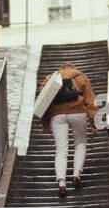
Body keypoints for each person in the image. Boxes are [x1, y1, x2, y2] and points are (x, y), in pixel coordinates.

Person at [40, 61, 98, 198]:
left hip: (57, 115)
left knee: (61, 149)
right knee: (80, 143)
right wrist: (94, 121)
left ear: (61, 69)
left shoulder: (50, 78)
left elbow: (43, 102)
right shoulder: (81, 77)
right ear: (73, 68)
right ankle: (76, 174)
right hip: (78, 113)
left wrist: (45, 123)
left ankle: (61, 183)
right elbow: (90, 101)